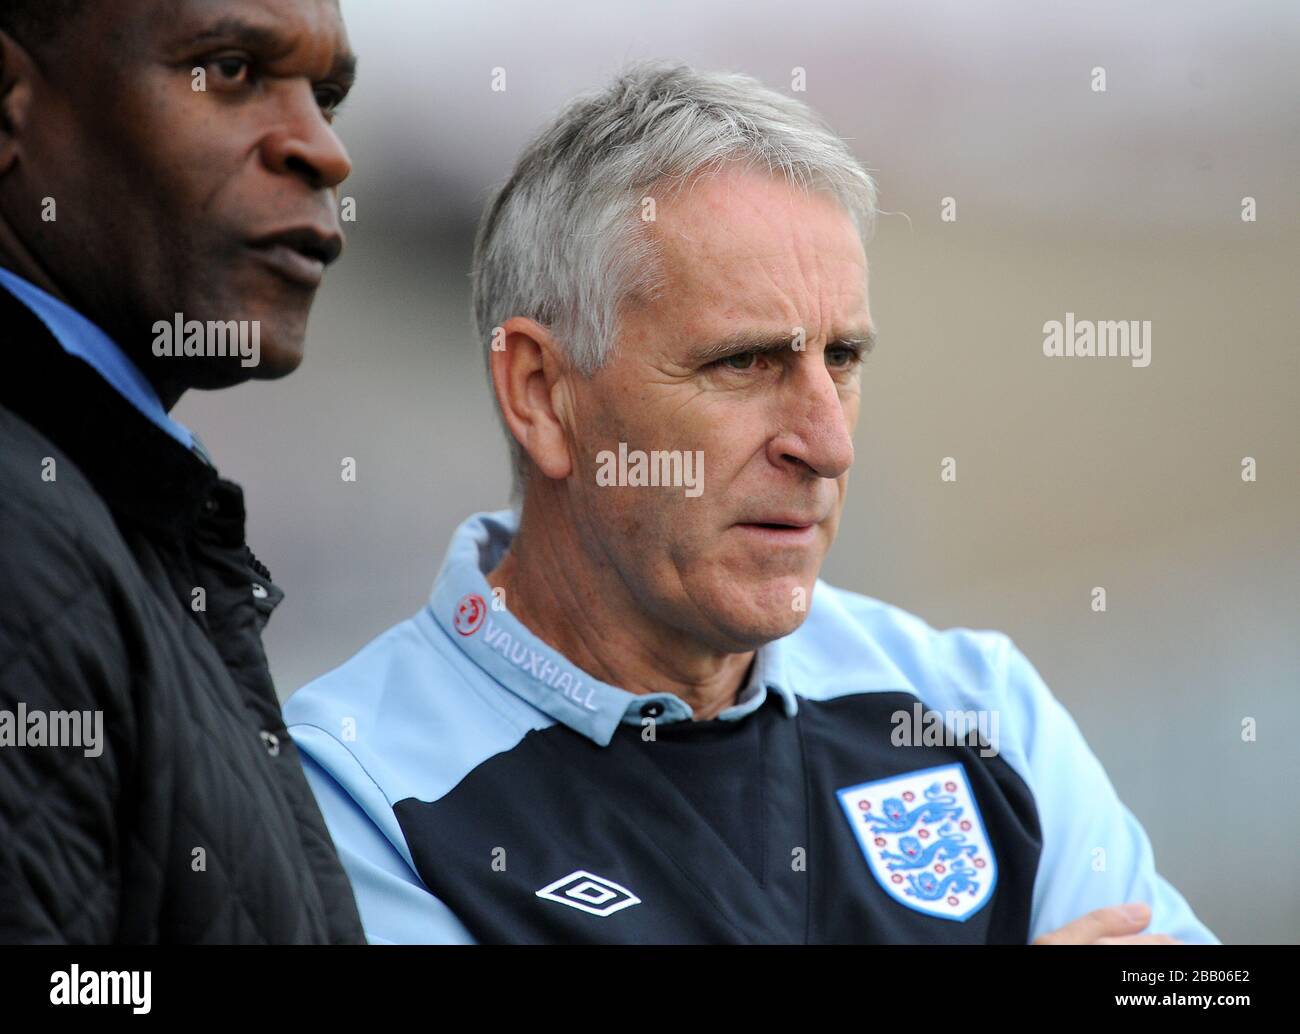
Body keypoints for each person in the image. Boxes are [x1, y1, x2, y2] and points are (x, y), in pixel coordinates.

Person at [284, 62, 1218, 945]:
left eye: (841, 360)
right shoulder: (351, 790)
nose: (827, 443)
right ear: (541, 392)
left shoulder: (971, 705)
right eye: (743, 363)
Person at [0, 0, 364, 943]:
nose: (324, 151)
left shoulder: (97, 503)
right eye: (232, 69)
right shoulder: (20, 544)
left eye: (326, 95)